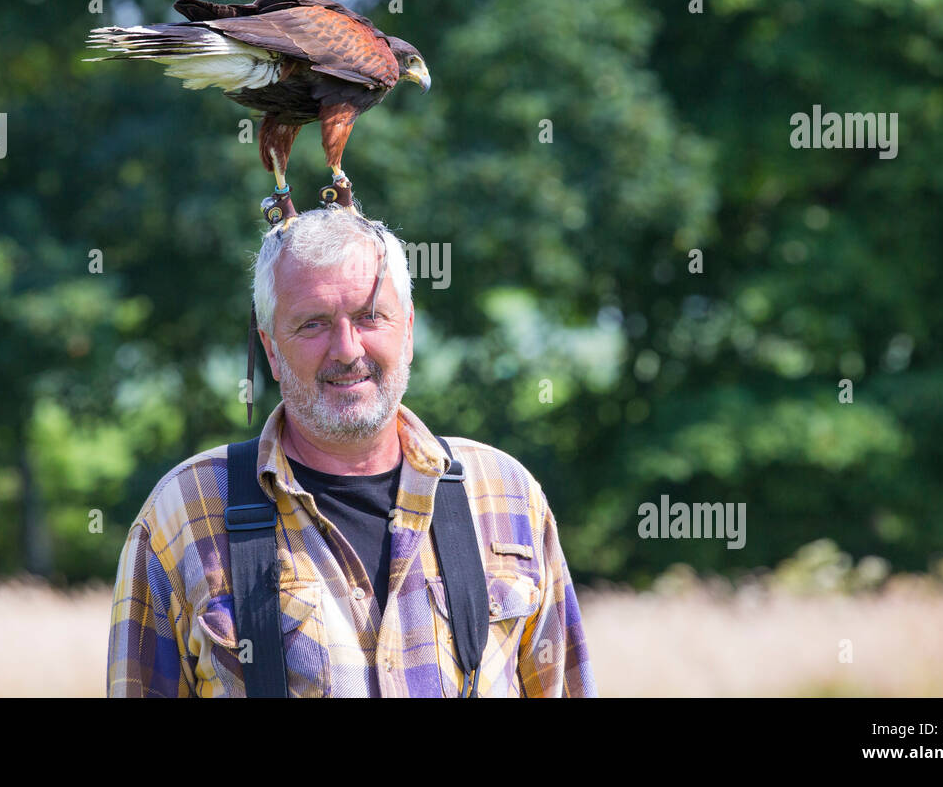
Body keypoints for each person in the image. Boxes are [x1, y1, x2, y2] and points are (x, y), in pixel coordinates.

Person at [107, 206, 597, 697]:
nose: (347, 349)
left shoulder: (505, 492)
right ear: (272, 350)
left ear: (407, 331)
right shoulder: (183, 513)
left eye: (369, 317)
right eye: (314, 324)